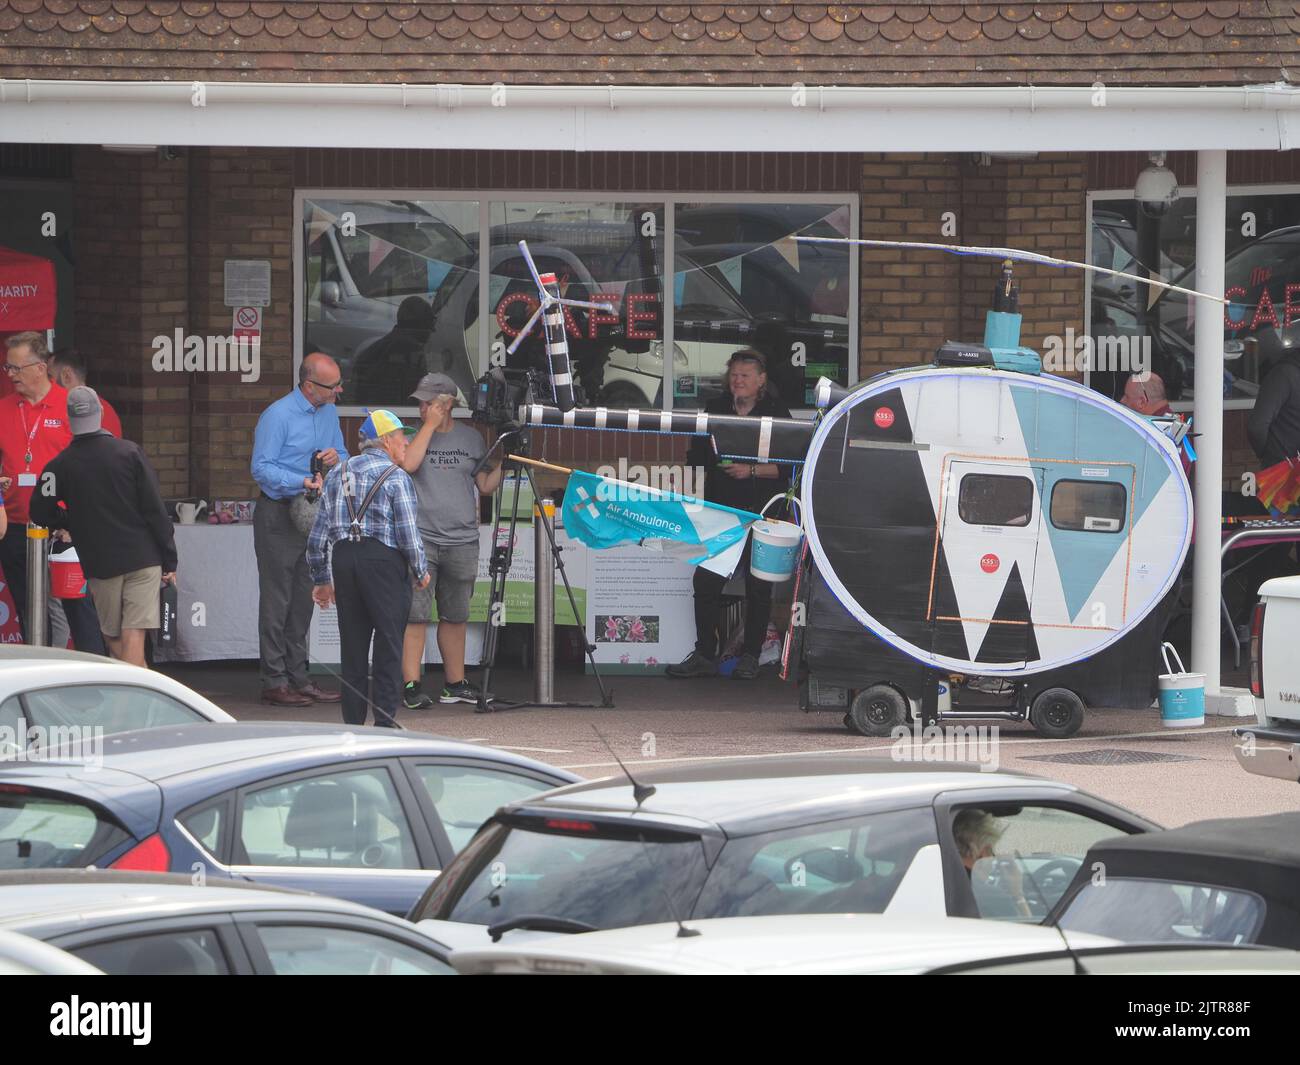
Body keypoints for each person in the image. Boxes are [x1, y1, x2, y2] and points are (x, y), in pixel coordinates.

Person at [666, 349, 792, 681]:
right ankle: (705, 654)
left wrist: (749, 470)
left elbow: (790, 467)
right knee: (705, 582)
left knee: (758, 587)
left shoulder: (777, 413)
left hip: (764, 514)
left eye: (745, 376)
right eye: (734, 375)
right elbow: (696, 457)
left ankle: (751, 656)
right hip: (721, 513)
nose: (738, 381)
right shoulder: (716, 409)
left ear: (761, 380)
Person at [30, 388, 176, 667]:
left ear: (69, 419)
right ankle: (135, 697)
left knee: (113, 638)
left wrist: (69, 520)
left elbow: (39, 511)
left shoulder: (59, 465)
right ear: (100, 414)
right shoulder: (130, 453)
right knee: (133, 635)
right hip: (143, 556)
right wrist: (170, 559)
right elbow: (155, 511)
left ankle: (129, 698)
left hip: (99, 560)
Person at [307, 410, 430, 728]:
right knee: (389, 644)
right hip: (384, 562)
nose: (406, 442)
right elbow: (406, 531)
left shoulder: (337, 473)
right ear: (387, 440)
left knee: (353, 646)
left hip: (344, 560)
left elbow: (318, 534)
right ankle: (385, 723)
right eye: (402, 436)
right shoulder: (396, 476)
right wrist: (420, 569)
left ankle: (353, 723)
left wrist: (321, 578)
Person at [398, 373, 503, 708]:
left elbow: (485, 486)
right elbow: (409, 463)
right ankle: (411, 686)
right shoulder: (413, 436)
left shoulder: (471, 439)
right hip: (421, 538)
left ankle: (454, 684)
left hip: (462, 539)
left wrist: (506, 462)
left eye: (430, 401)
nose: (423, 406)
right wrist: (429, 425)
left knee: (455, 614)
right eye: (422, 401)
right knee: (416, 614)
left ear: (449, 403)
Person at [250, 352, 347, 707]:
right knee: (277, 598)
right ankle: (274, 680)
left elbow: (343, 453)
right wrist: (299, 480)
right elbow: (260, 468)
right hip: (278, 512)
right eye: (333, 386)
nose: (338, 391)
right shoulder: (278, 415)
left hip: (311, 512)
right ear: (309, 386)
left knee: (305, 597)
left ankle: (299, 676)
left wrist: (340, 458)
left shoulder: (329, 411)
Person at [0, 332, 106, 653]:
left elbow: (91, 467)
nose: (11, 375)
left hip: (64, 529)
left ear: (42, 366)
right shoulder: (3, 409)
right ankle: (40, 674)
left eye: (18, 368)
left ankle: (94, 677)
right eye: (8, 368)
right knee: (29, 608)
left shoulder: (69, 405)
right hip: (17, 527)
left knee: (76, 606)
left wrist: (74, 521)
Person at [350, 296, 436, 407]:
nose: (430, 333)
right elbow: (415, 397)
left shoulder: (376, 349)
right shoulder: (410, 352)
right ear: (421, 326)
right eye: (429, 327)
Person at [952, 809, 1033, 920]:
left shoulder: (943, 878)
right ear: (984, 852)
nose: (993, 858)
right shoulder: (991, 897)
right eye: (992, 852)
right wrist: (1018, 895)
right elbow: (1027, 932)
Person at [49, 349, 124, 438]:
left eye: (49, 376)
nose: (46, 383)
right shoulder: (106, 409)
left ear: (66, 376)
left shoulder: (64, 409)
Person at [1248, 351, 1300, 468]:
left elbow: (1256, 426)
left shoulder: (1284, 374)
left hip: (1280, 464)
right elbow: (1257, 427)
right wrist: (1269, 454)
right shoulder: (1284, 374)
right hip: (1282, 467)